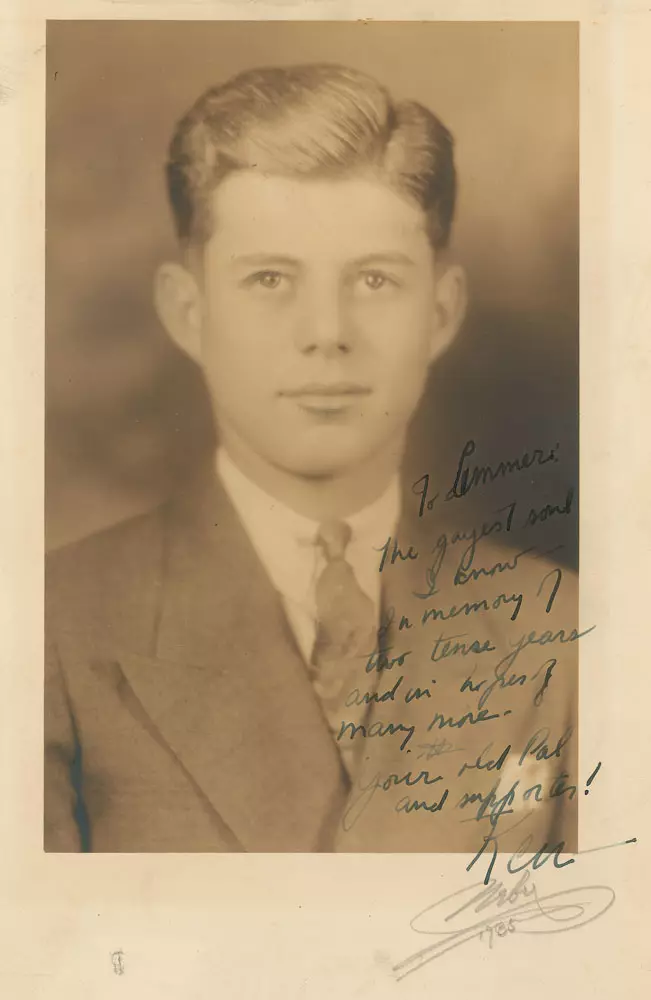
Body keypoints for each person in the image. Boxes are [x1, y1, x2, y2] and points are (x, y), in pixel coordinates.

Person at [45, 63, 578, 853]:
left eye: (373, 278)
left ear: (440, 313)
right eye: (268, 279)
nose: (325, 332)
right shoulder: (48, 623)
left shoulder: (562, 629)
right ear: (188, 314)